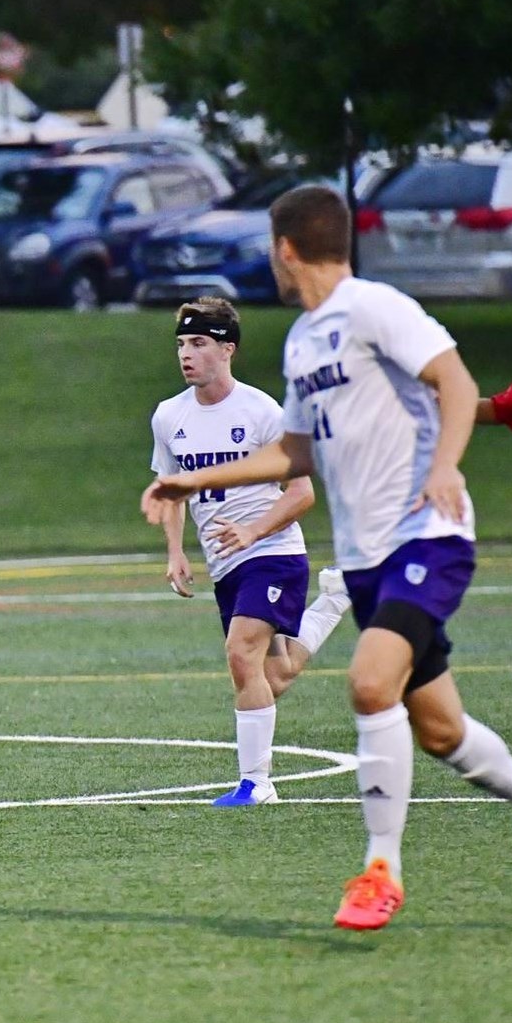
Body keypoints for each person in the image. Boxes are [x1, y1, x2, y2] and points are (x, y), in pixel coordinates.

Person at [142, 185, 512, 931]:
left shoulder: (375, 307)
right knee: (439, 729)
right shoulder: (303, 342)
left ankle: (380, 869)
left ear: (285, 250)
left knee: (369, 682)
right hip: (367, 558)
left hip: (426, 535)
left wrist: (445, 465)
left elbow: (452, 380)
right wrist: (192, 478)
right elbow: (291, 452)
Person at [149, 296, 352, 806]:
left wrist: (253, 532)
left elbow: (302, 494)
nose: (186, 354)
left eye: (198, 343)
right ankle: (335, 601)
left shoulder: (263, 412)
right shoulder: (168, 416)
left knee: (240, 653)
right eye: (181, 344)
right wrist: (176, 552)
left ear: (228, 349)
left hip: (273, 553)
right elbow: (172, 490)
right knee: (272, 676)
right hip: (225, 565)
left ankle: (257, 784)